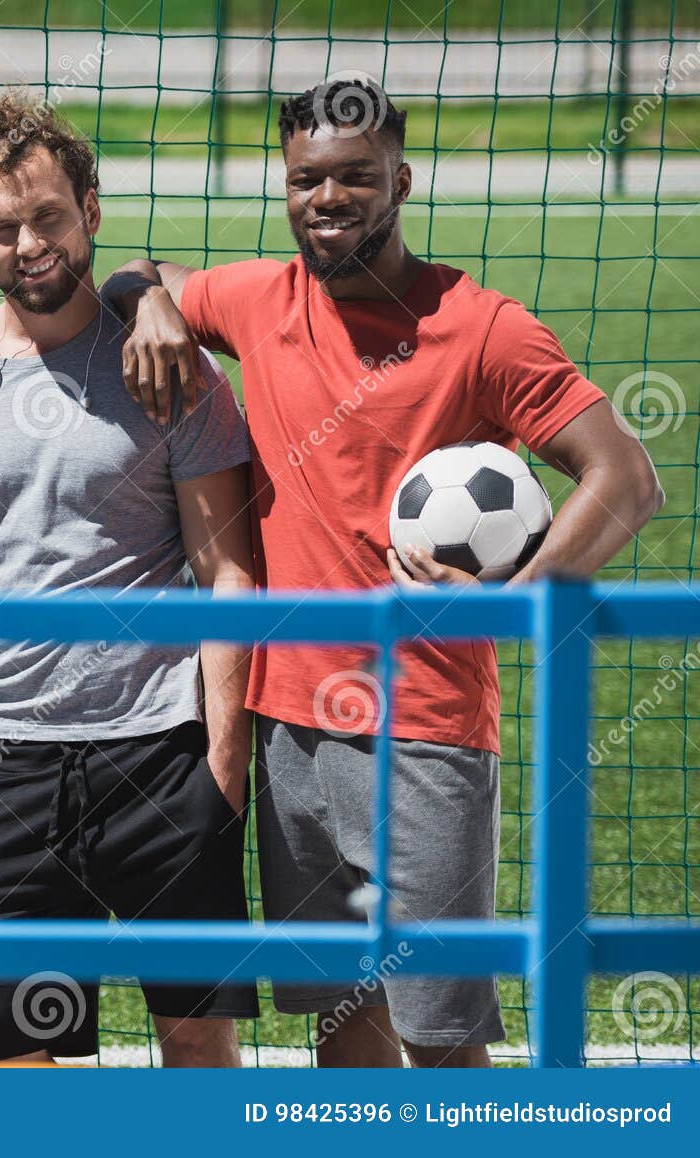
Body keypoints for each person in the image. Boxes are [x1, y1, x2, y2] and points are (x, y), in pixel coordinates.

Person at [102, 78, 663, 1067]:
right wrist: (147, 299)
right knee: (336, 1016)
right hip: (285, 729)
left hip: (424, 728)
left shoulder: (483, 328)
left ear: (400, 181)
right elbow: (135, 268)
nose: (328, 198)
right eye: (306, 179)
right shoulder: (257, 299)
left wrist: (519, 596)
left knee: (438, 1034)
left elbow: (625, 476)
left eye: (356, 178)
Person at [0, 89, 261, 1067]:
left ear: (89, 211)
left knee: (196, 1047)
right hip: (4, 769)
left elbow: (229, 568)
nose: (28, 245)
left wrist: (223, 765)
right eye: (0, 228)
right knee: (11, 1066)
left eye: (47, 217)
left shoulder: (168, 369)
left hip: (161, 756)